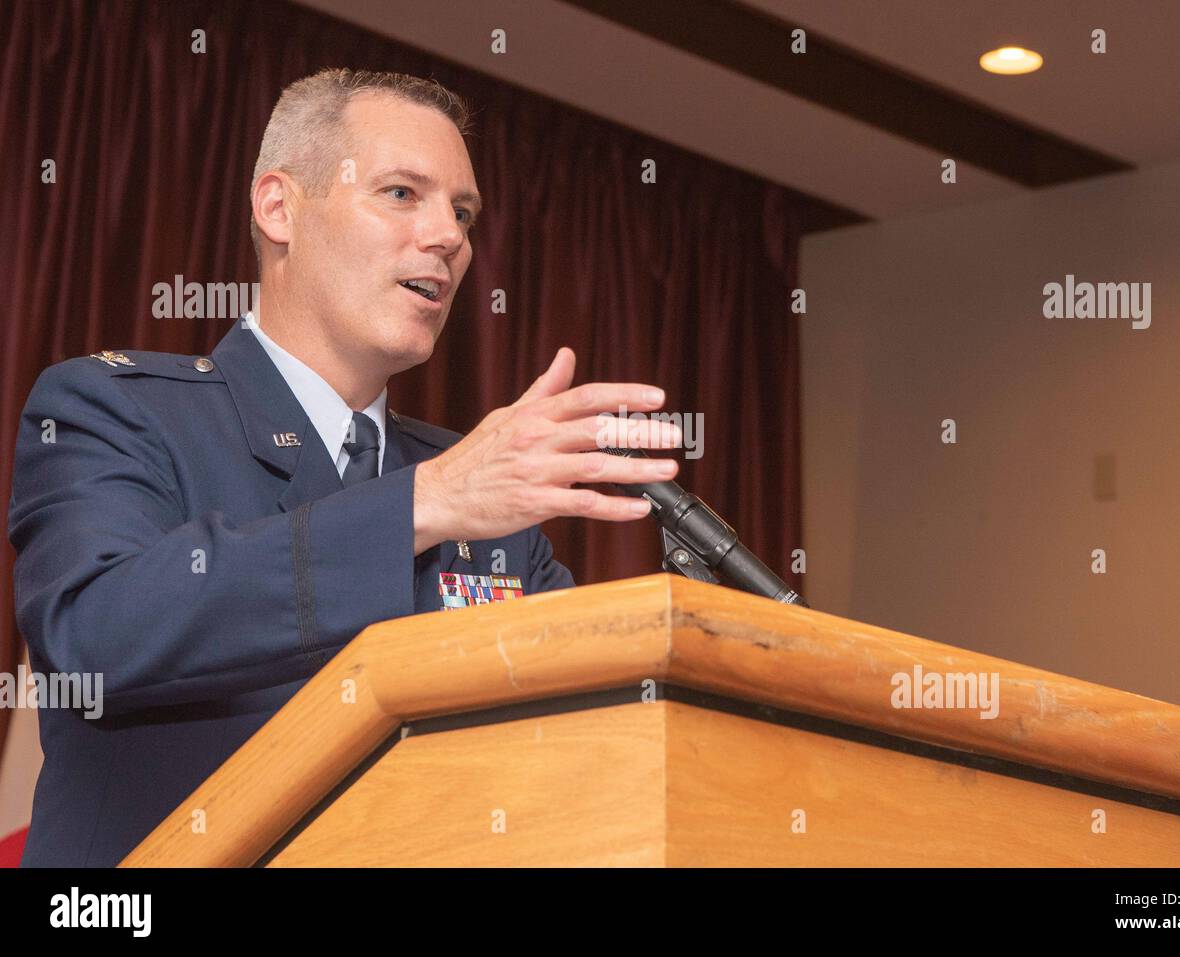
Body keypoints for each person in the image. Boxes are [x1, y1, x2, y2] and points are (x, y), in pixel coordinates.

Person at [6, 68, 679, 867]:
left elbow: (586, 741)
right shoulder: (117, 408)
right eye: (402, 194)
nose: (449, 237)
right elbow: (97, 632)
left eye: (462, 212)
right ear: (279, 208)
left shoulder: (485, 492)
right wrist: (420, 505)